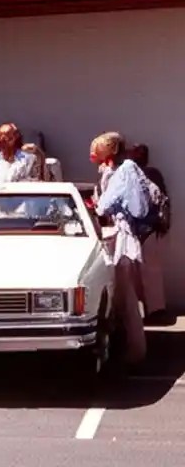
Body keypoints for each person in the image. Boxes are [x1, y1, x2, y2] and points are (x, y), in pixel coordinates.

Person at [91, 132, 151, 365]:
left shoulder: (123, 171)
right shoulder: (125, 170)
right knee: (124, 297)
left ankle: (135, 352)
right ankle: (131, 348)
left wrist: (98, 199)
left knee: (126, 297)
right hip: (124, 236)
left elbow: (104, 206)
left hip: (123, 239)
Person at [129, 143, 170, 324]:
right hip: (144, 228)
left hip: (144, 228)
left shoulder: (142, 175)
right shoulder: (151, 175)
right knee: (147, 272)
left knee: (145, 272)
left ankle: (153, 310)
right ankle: (152, 309)